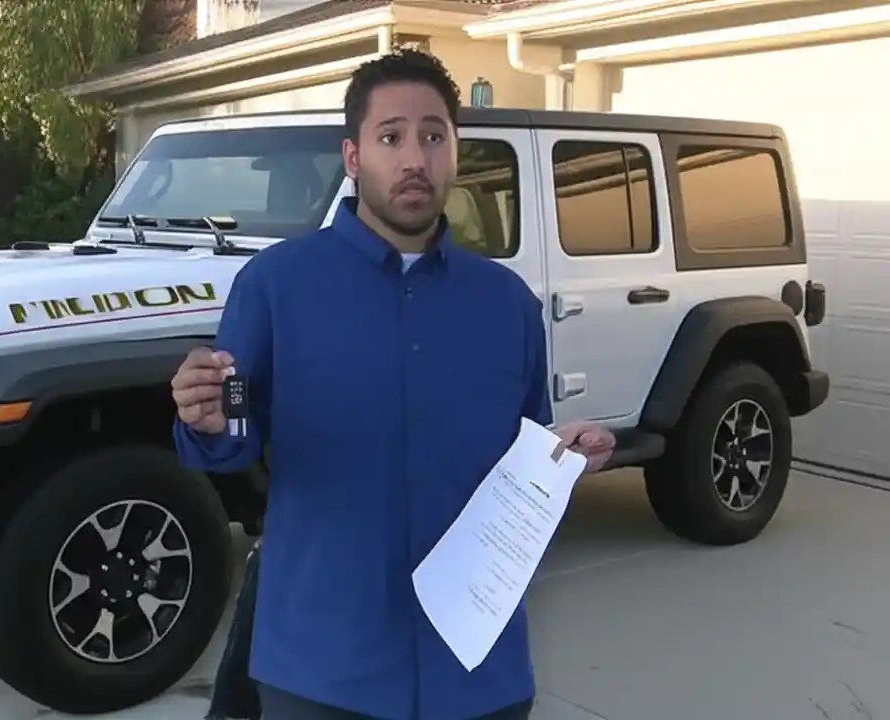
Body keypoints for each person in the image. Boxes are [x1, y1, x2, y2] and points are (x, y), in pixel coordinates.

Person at [171, 48, 616, 720]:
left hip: (477, 674)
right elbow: (236, 431)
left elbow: (524, 457)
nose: (415, 158)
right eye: (391, 137)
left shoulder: (507, 304)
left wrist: (562, 457)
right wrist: (207, 421)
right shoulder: (274, 287)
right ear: (353, 158)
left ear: (456, 152)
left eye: (434, 136)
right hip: (320, 673)